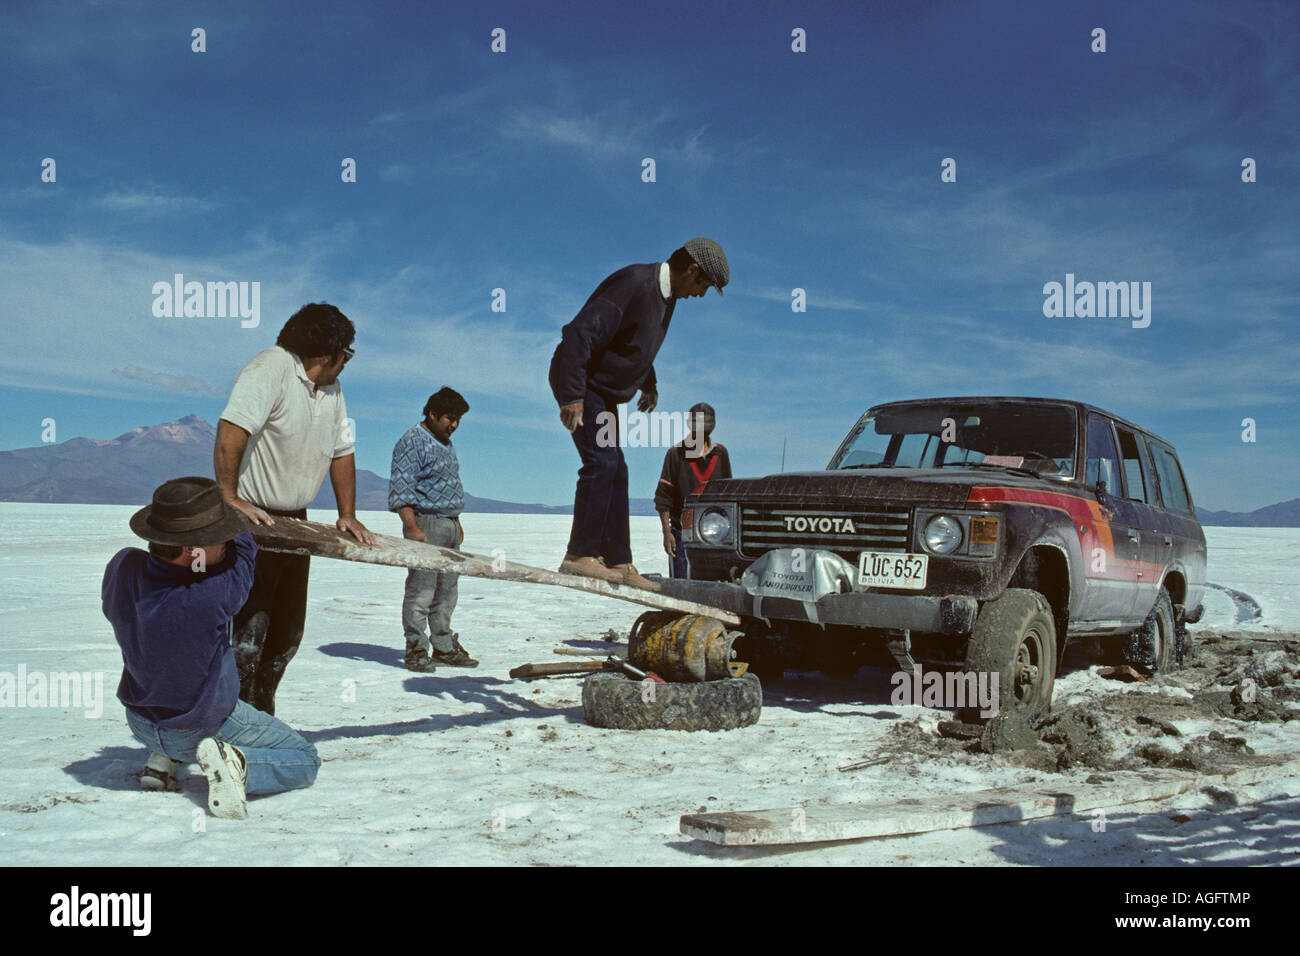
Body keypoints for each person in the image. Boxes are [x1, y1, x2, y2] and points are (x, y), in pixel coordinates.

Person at [102, 477, 320, 818]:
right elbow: (246, 550)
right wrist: (238, 515)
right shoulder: (213, 593)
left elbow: (180, 567)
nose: (226, 542)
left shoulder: (122, 568)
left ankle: (161, 761)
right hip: (196, 728)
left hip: (141, 722)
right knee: (304, 757)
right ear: (194, 550)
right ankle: (238, 766)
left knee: (170, 680)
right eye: (218, 537)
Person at [214, 302, 376, 716]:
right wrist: (230, 498)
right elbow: (232, 428)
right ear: (327, 354)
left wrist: (347, 512)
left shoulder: (332, 390)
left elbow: (342, 451)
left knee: (287, 633)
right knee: (247, 636)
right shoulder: (270, 368)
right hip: (253, 521)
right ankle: (233, 723)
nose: (347, 363)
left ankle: (263, 715)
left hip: (295, 524)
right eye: (347, 354)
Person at [548, 238, 729, 591]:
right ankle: (578, 556)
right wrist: (571, 395)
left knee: (618, 468)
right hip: (583, 383)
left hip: (602, 391)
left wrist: (649, 382)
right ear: (692, 270)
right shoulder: (634, 283)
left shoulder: (667, 298)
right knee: (601, 462)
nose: (702, 295)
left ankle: (619, 560)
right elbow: (578, 334)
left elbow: (635, 343)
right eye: (704, 285)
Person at [389, 387, 476, 672]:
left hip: (449, 525)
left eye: (458, 420)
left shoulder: (446, 443)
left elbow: (448, 483)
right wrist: (411, 525)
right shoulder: (412, 441)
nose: (454, 425)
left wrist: (456, 522)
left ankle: (443, 646)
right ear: (432, 414)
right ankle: (416, 648)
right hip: (425, 524)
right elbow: (402, 486)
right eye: (450, 418)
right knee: (421, 590)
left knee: (447, 591)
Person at [654, 402, 732, 578]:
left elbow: (728, 494)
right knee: (683, 589)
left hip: (716, 536)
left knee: (715, 588)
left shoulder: (720, 453)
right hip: (683, 535)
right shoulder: (676, 454)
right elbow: (663, 498)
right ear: (690, 424)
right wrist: (667, 533)